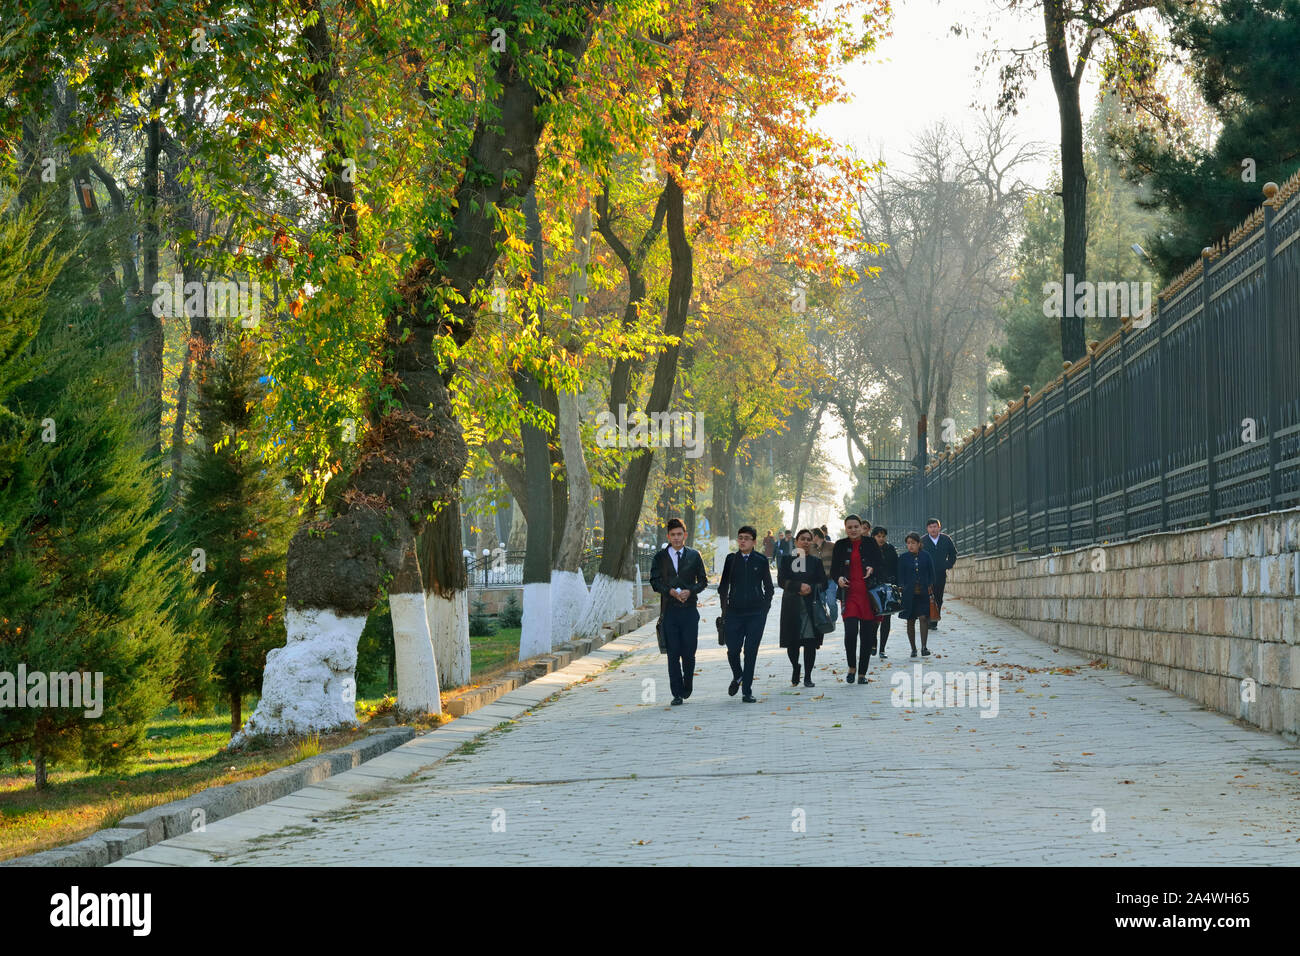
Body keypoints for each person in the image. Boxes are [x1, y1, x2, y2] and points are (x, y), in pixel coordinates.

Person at [649, 517, 709, 705]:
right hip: (670, 611)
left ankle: (687, 684)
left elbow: (703, 581)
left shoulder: (694, 555)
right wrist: (671, 592)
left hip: (689, 611)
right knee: (673, 653)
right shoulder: (660, 557)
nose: (676, 538)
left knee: (689, 652)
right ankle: (676, 693)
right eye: (673, 535)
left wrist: (690, 591)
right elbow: (654, 581)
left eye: (679, 534)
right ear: (668, 536)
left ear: (685, 535)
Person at [718, 525, 774, 703]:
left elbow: (769, 588)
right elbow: (722, 587)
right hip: (734, 613)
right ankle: (738, 676)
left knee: (750, 652)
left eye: (746, 538)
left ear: (754, 542)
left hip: (756, 614)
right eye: (740, 537)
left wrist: (764, 609)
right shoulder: (731, 560)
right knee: (732, 650)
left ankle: (747, 691)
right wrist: (724, 609)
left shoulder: (761, 560)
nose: (742, 541)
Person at [831, 514, 884, 684]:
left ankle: (862, 673)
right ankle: (851, 667)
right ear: (845, 528)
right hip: (849, 595)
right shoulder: (840, 545)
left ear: (862, 527)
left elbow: (881, 564)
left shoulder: (870, 543)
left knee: (867, 635)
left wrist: (872, 567)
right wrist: (838, 578)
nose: (853, 530)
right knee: (850, 632)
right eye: (849, 527)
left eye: (856, 527)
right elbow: (833, 570)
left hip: (868, 596)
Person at [778, 528, 827, 688]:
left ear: (812, 542)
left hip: (810, 607)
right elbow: (781, 581)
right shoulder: (786, 559)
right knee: (792, 643)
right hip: (792, 606)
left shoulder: (815, 562)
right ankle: (795, 667)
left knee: (810, 642)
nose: (805, 542)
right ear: (796, 541)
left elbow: (823, 583)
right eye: (802, 539)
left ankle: (808, 676)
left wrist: (811, 588)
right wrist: (798, 586)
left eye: (808, 539)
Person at [898, 532, 936, 658]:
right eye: (908, 543)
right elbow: (900, 576)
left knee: (923, 618)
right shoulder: (903, 558)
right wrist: (903, 587)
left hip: (923, 593)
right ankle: (913, 648)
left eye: (913, 543)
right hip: (909, 595)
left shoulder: (926, 556)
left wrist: (929, 584)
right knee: (910, 621)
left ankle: (924, 647)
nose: (910, 546)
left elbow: (931, 573)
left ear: (919, 544)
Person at [921, 518, 958, 629]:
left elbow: (953, 554)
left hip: (940, 573)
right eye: (931, 527)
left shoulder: (946, 539)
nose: (933, 529)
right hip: (926, 574)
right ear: (927, 528)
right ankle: (927, 619)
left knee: (938, 597)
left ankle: (934, 620)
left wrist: (947, 565)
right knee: (926, 597)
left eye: (935, 526)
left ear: (939, 527)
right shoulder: (923, 541)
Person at [871, 526, 899, 659]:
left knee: (886, 617)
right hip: (873, 587)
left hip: (887, 587)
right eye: (878, 536)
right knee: (874, 618)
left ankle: (882, 648)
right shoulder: (868, 549)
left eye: (883, 536)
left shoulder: (890, 549)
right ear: (873, 537)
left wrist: (897, 584)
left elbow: (896, 567)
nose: (881, 539)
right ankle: (873, 644)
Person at [810, 527, 838, 625]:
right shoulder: (810, 549)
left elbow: (839, 560)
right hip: (818, 581)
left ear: (816, 536)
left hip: (831, 579)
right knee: (821, 603)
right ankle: (824, 621)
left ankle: (833, 619)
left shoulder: (832, 546)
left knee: (831, 602)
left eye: (811, 535)